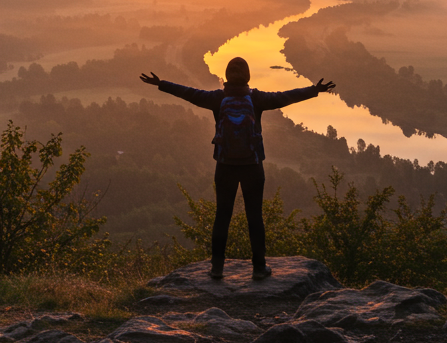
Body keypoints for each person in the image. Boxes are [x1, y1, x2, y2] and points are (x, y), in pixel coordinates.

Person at [141, 57, 335, 280]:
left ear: (226, 75)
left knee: (222, 216)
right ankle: (259, 268)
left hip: (225, 166)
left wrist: (161, 83)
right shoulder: (256, 98)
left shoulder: (217, 98)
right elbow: (285, 97)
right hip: (253, 166)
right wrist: (314, 90)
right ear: (247, 75)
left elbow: (189, 93)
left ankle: (217, 268)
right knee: (255, 217)